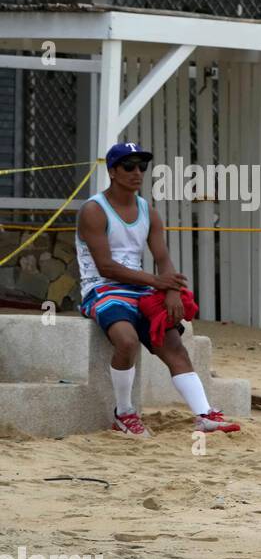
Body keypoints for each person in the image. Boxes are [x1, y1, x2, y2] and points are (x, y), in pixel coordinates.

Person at [75, 142, 240, 437]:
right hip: (102, 289)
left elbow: (163, 259)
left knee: (174, 344)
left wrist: (172, 291)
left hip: (139, 290)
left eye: (142, 166)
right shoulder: (93, 210)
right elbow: (106, 267)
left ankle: (204, 414)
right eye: (129, 166)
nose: (137, 172)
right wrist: (157, 282)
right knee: (126, 341)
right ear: (112, 171)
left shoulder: (147, 210)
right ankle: (124, 413)